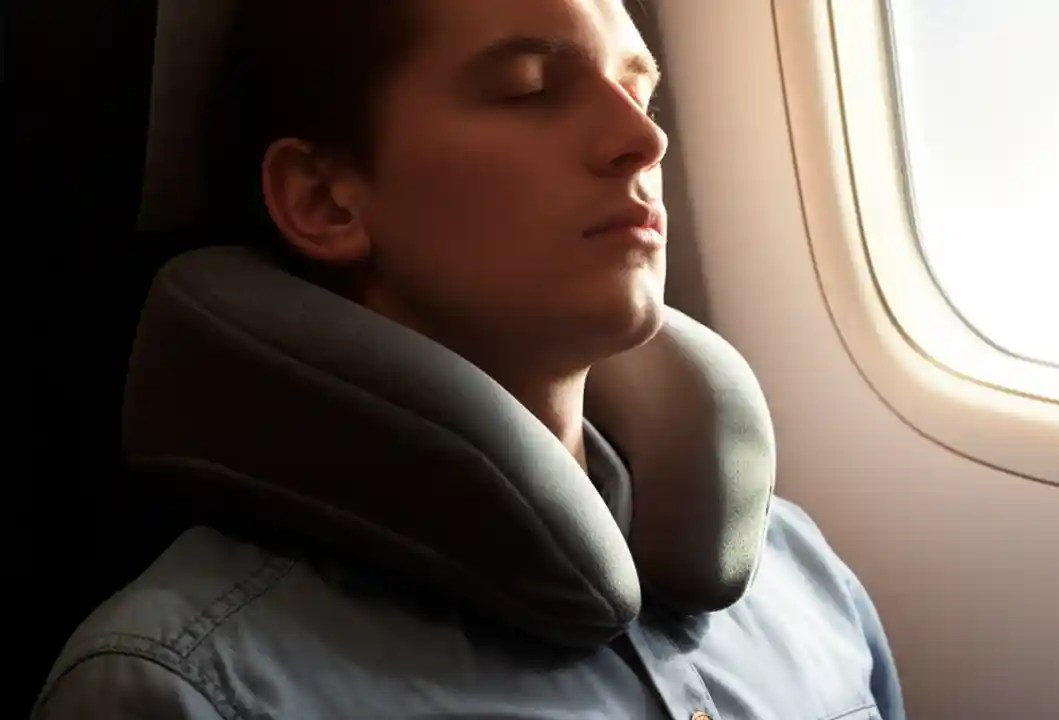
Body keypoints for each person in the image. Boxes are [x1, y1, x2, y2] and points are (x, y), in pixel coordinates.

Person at [30, 1, 906, 718]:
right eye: (531, 89)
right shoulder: (182, 688)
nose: (643, 141)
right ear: (326, 200)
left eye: (641, 91)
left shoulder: (800, 575)